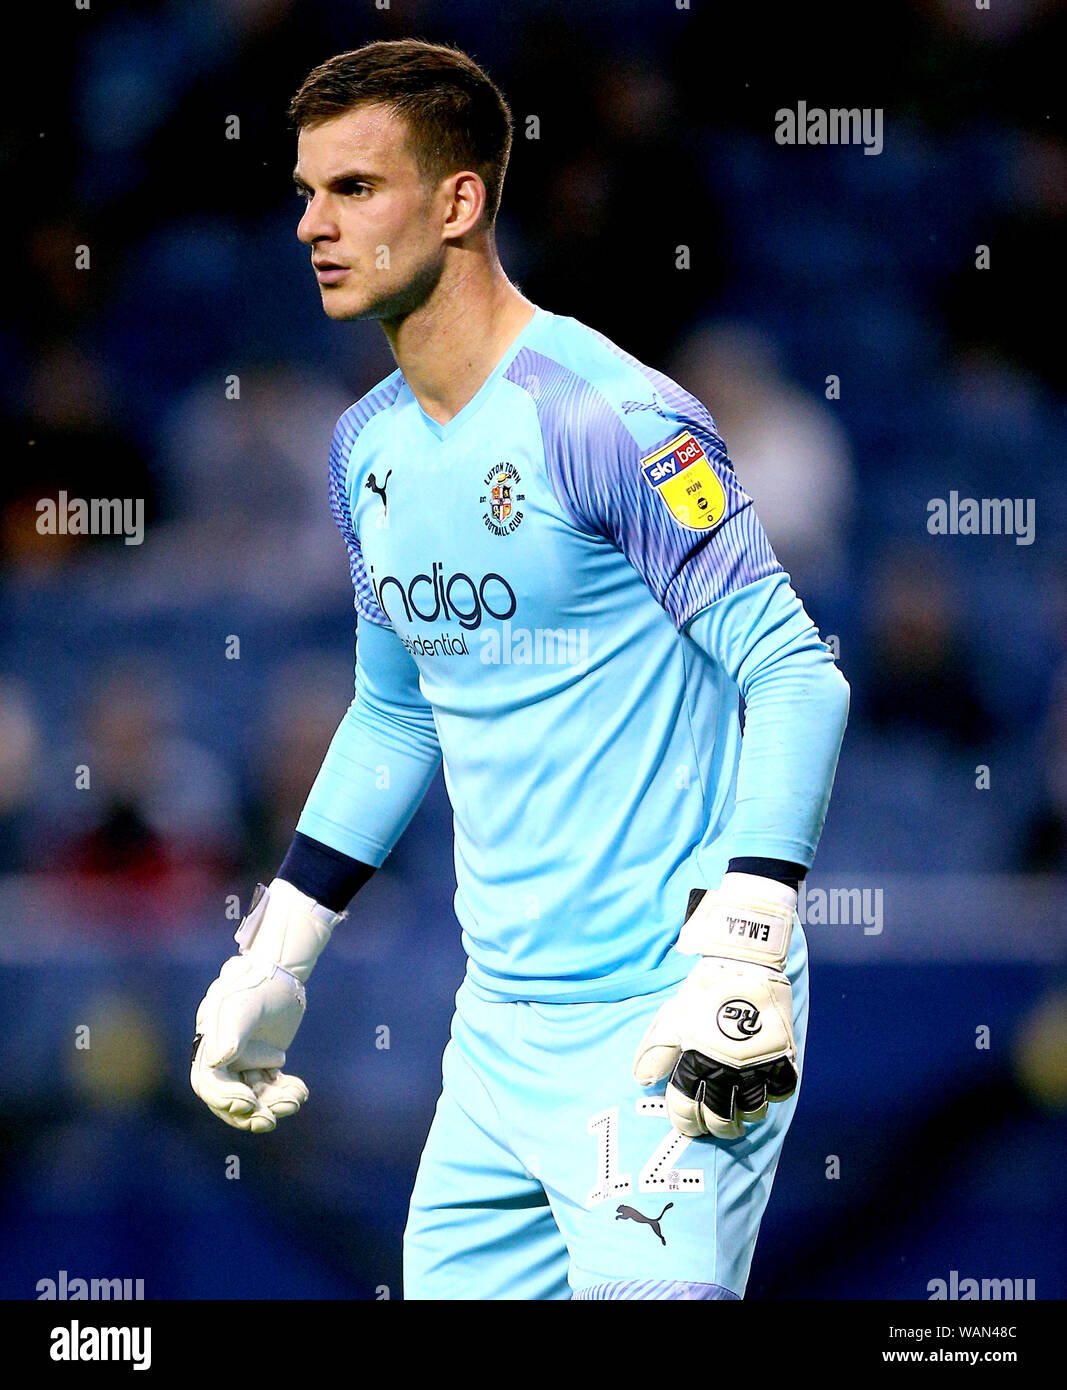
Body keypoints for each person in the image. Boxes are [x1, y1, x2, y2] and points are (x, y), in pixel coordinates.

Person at [190, 38, 850, 1301]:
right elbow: (394, 716)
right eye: (303, 192)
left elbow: (793, 672)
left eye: (352, 189)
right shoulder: (365, 449)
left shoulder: (612, 416)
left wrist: (745, 944)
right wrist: (275, 952)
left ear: (457, 200)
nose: (310, 227)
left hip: (665, 1015)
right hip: (494, 1038)